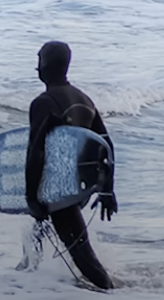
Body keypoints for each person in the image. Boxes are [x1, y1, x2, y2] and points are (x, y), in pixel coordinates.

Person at [27, 40, 118, 290]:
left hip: (57, 187)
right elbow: (106, 147)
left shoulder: (44, 102)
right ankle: (26, 284)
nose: (36, 68)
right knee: (47, 241)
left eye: (38, 60)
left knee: (82, 254)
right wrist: (107, 190)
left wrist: (32, 198)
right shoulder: (84, 98)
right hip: (78, 186)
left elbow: (35, 153)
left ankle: (111, 291)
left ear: (44, 65)